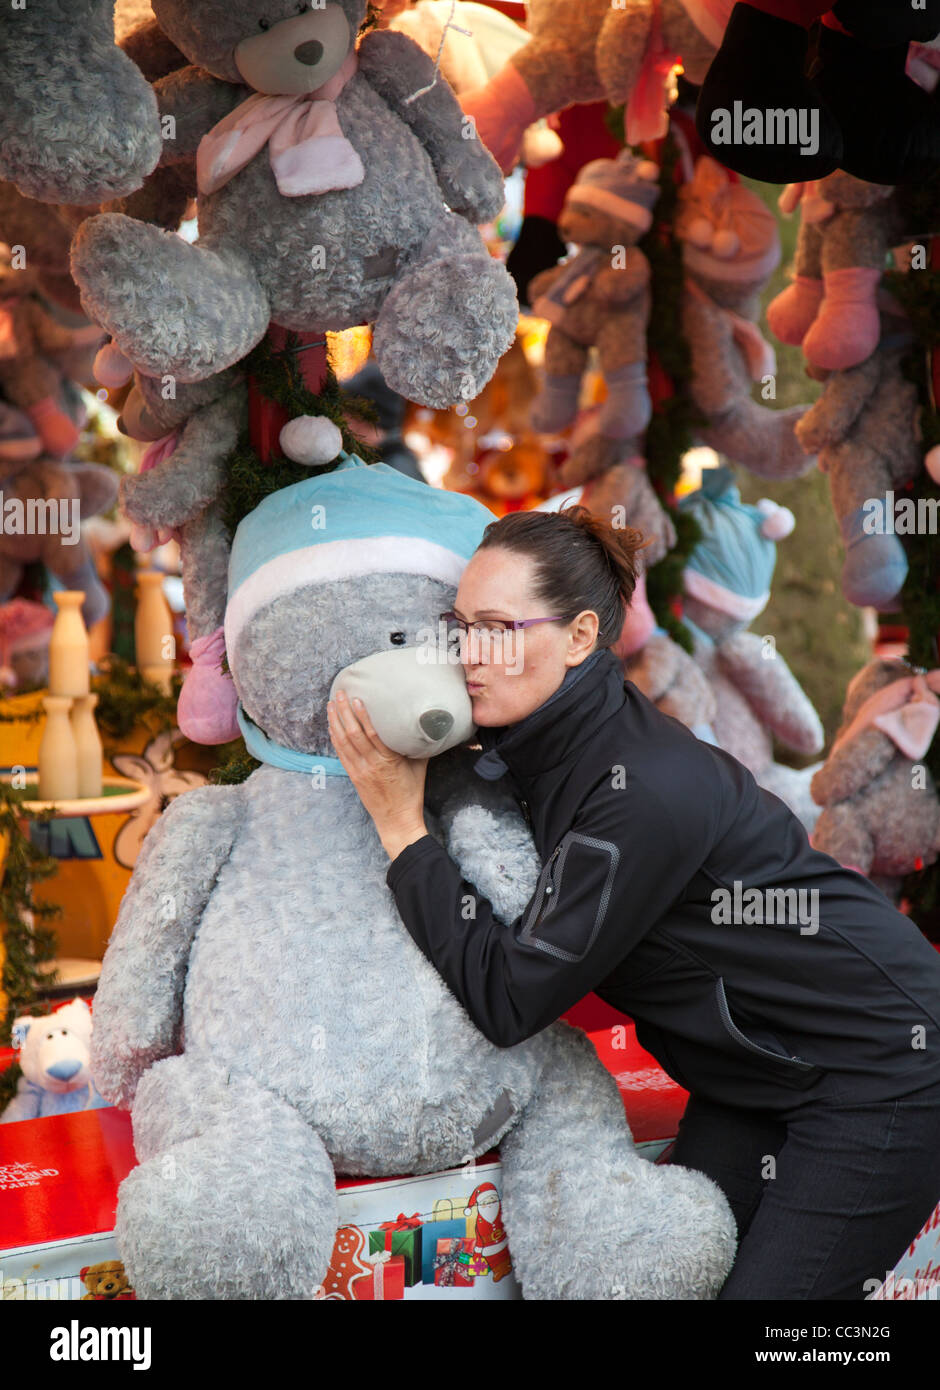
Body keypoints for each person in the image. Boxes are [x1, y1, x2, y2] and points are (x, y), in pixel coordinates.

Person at [326, 503, 940, 1301]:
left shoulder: (638, 790)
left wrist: (401, 825)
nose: (468, 654)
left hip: (883, 1067)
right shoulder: (541, 742)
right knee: (659, 1281)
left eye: (499, 629)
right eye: (458, 625)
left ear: (581, 637)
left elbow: (512, 996)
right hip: (757, 1074)